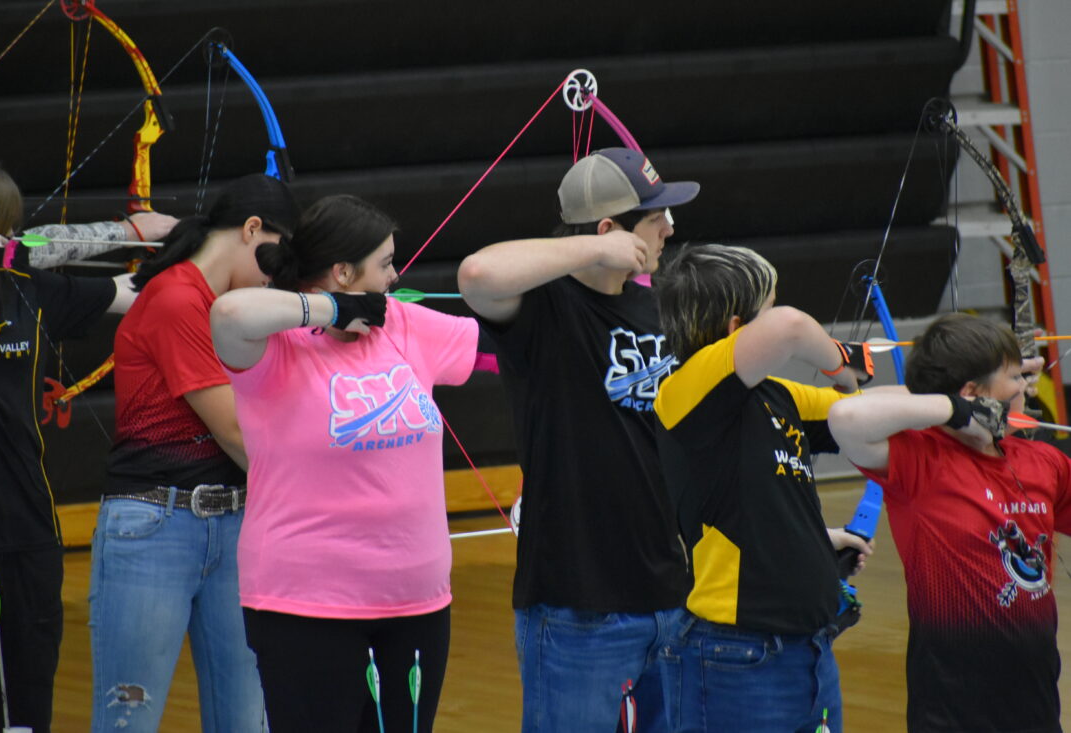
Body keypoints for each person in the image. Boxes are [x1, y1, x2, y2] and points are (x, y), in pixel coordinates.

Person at [208, 193, 479, 732]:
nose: (395, 277)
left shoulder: (404, 323)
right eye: (385, 264)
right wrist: (332, 309)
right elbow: (228, 311)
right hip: (304, 607)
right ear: (342, 271)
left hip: (416, 603)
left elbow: (496, 338)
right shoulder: (274, 344)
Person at [457, 147, 699, 730]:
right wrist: (592, 248)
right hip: (577, 606)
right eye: (654, 217)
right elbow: (476, 275)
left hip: (672, 597)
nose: (669, 227)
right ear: (612, 231)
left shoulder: (657, 306)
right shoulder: (544, 308)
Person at [89, 173, 300, 733]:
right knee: (127, 720)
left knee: (246, 719)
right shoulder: (178, 297)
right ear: (253, 230)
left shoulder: (225, 304)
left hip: (234, 523)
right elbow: (234, 430)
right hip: (155, 526)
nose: (273, 281)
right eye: (274, 263)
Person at [0, 154, 170, 733]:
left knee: (26, 702)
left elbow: (135, 291)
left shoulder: (32, 292)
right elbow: (18, 248)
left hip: (26, 529)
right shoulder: (19, 261)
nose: (9, 236)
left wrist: (200, 248)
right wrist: (125, 232)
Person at [650, 242, 873, 733]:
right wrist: (843, 365)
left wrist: (968, 400)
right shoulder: (683, 392)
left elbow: (862, 419)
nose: (777, 314)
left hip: (809, 650)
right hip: (733, 654)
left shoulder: (776, 395)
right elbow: (791, 327)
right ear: (736, 330)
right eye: (765, 306)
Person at [827, 312, 1071, 733]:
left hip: (1035, 701)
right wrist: (954, 407)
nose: (1025, 388)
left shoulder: (1043, 462)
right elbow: (846, 418)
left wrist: (992, 384)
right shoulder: (922, 459)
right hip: (951, 707)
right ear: (973, 393)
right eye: (1014, 378)